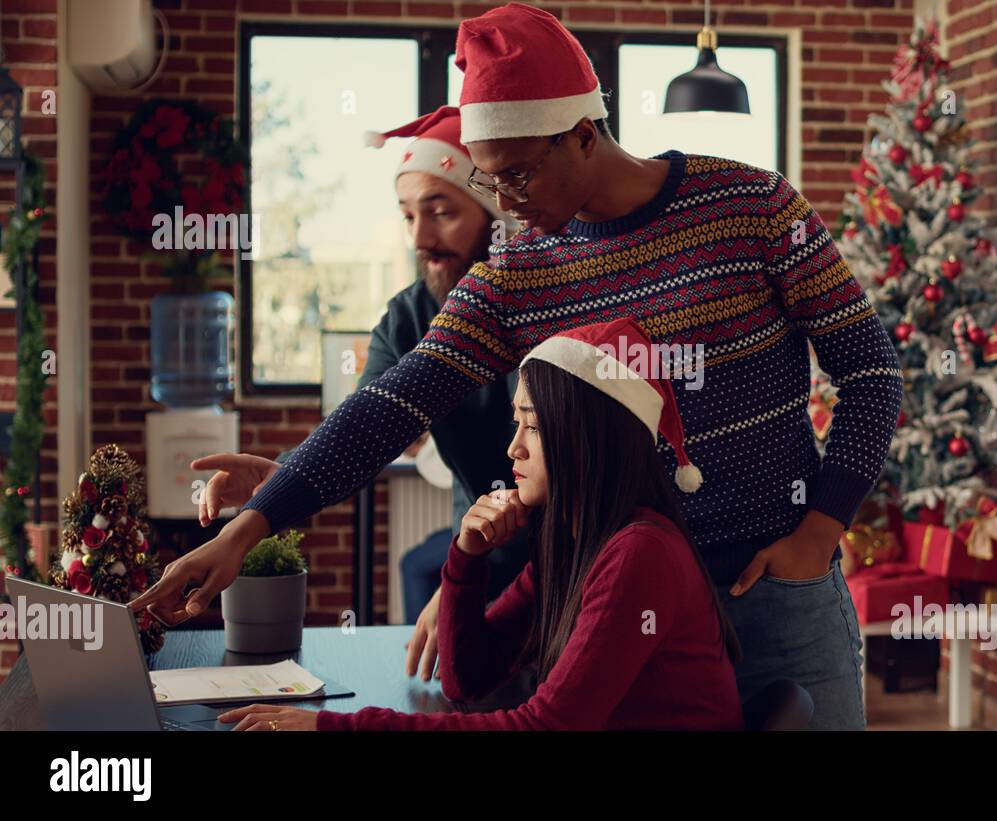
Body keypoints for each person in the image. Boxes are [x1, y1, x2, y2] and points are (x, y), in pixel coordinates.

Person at [134, 2, 903, 731]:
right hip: (620, 604)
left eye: (519, 175)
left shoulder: (754, 207)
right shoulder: (518, 265)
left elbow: (872, 372)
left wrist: (820, 528)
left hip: (776, 584)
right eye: (490, 179)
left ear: (581, 134)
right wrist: (255, 522)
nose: (506, 200)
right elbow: (395, 402)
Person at [218, 319, 744, 730]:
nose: (512, 447)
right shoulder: (574, 545)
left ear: (588, 439)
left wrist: (332, 727)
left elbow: (545, 725)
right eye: (516, 422)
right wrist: (467, 557)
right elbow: (466, 679)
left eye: (533, 426)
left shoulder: (639, 553)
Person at [192, 107, 528, 684]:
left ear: (495, 212)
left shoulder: (548, 302)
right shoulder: (408, 318)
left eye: (441, 211)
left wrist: (461, 581)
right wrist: (284, 476)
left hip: (555, 562)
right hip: (475, 543)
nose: (420, 237)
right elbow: (364, 426)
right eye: (408, 215)